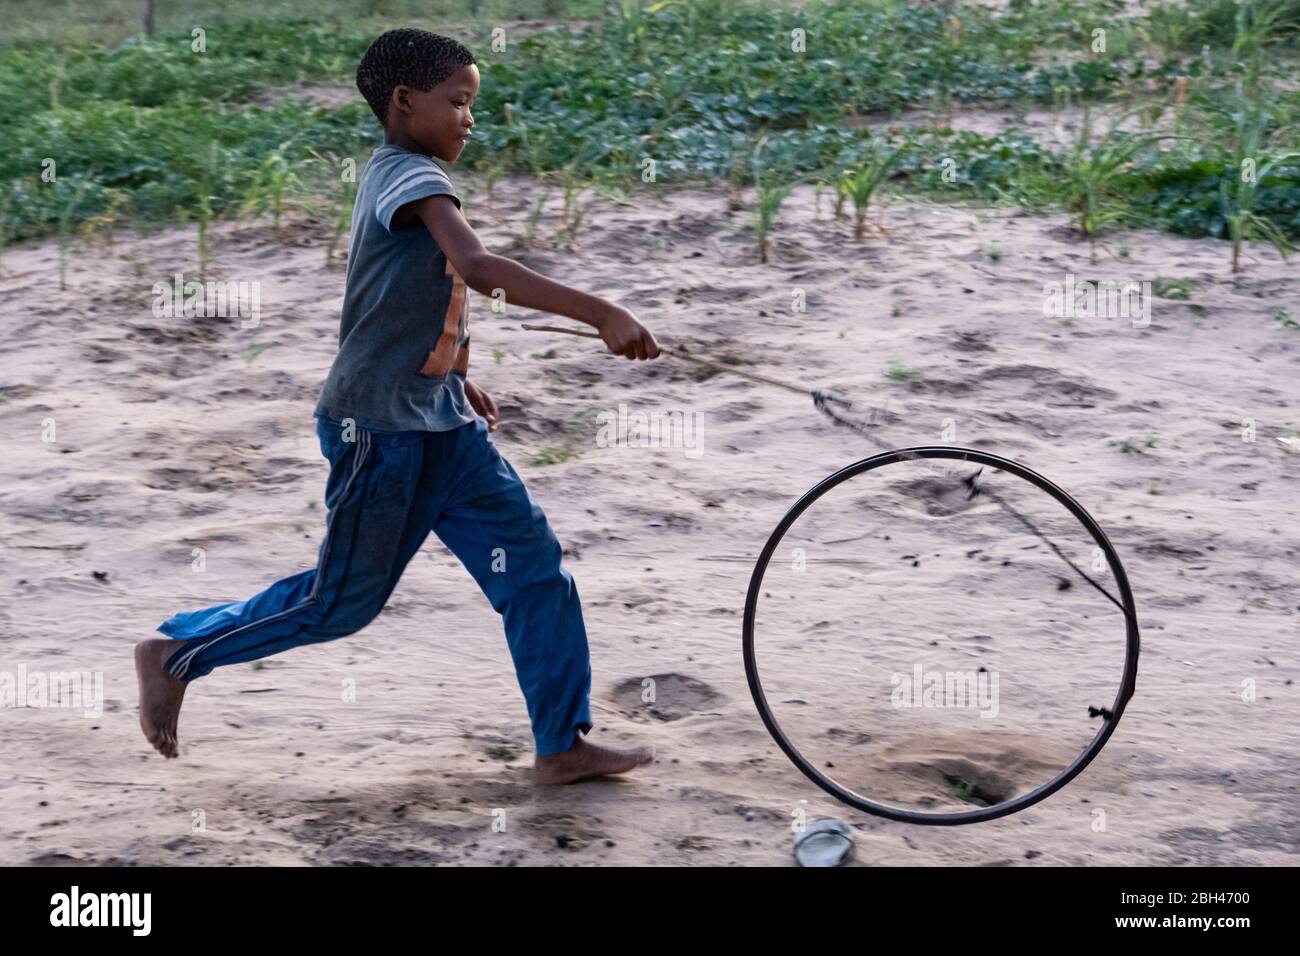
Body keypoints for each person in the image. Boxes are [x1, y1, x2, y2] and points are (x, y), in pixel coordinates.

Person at [136, 28, 661, 786]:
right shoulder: (406, 176)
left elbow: (422, 295)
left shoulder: (415, 178)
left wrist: (455, 371)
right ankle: (175, 653)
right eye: (458, 102)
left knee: (537, 571)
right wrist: (601, 312)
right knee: (339, 604)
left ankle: (560, 743)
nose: (470, 118)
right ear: (405, 103)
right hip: (378, 433)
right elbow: (478, 268)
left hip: (443, 424)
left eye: (473, 103)